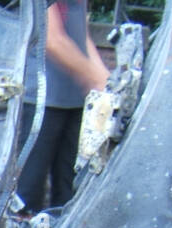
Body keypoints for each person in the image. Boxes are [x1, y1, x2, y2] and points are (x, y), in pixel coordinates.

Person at [16, 1, 110, 214]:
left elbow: (82, 37)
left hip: (77, 102)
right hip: (39, 101)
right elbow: (52, 40)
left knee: (71, 196)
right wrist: (96, 78)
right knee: (25, 197)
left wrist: (106, 80)